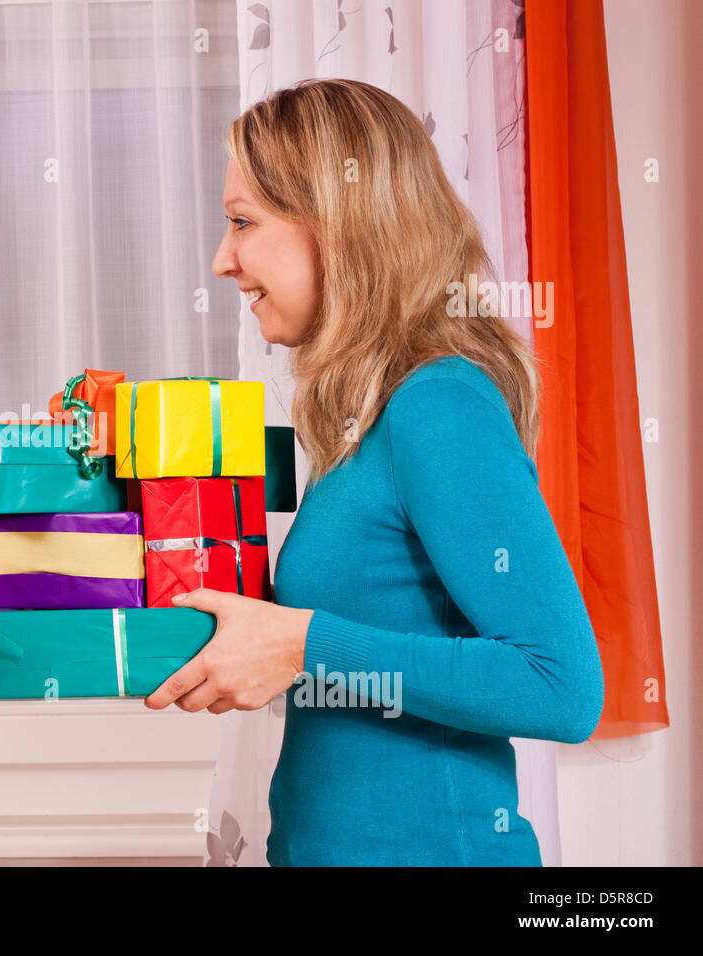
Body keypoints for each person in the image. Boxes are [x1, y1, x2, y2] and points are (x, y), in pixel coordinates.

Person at [145, 79, 604, 866]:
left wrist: (302, 646)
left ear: (340, 222)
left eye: (243, 223)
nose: (224, 261)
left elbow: (560, 685)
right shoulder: (368, 416)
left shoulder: (442, 401)